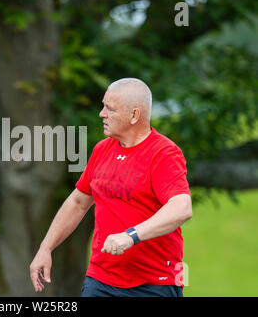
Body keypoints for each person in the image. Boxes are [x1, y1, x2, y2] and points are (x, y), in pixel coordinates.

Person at [29, 78, 192, 297]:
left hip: (154, 284)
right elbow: (78, 202)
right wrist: (45, 248)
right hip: (100, 280)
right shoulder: (102, 150)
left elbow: (181, 208)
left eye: (110, 109)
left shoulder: (164, 154)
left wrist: (131, 236)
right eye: (103, 106)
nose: (101, 114)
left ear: (134, 115)